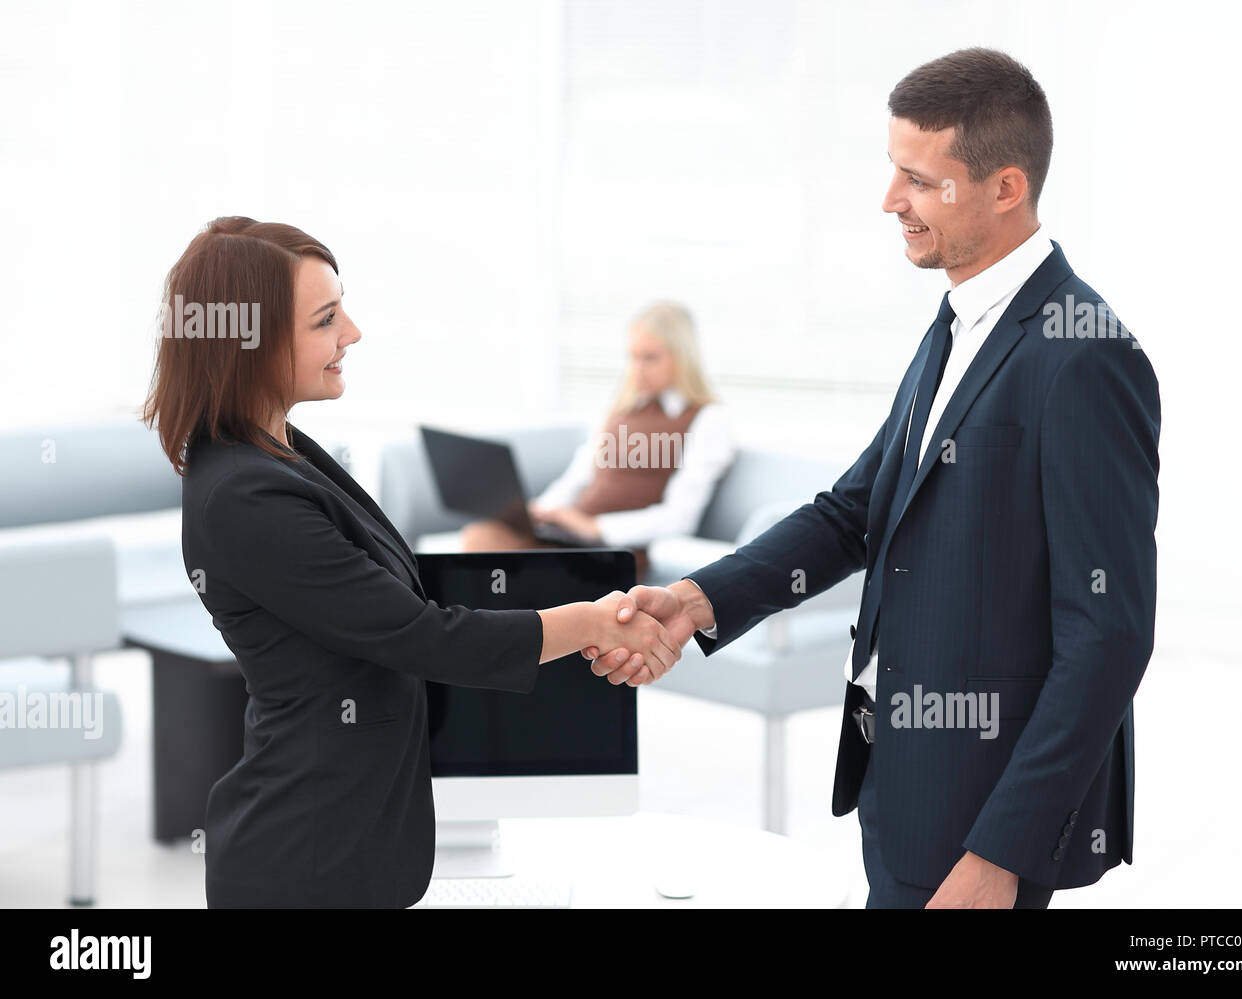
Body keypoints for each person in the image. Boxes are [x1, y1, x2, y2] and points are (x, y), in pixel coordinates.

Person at [585, 47, 1160, 909]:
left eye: (920, 181)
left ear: (1005, 188)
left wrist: (1001, 852)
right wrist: (698, 599)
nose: (891, 200)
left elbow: (1108, 636)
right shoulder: (961, 318)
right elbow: (857, 512)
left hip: (983, 820)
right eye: (895, 172)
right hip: (907, 785)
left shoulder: (1085, 356)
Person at [141, 217, 680, 908]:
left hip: (347, 842)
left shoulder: (282, 450)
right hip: (303, 859)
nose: (353, 333)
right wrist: (593, 621)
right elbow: (422, 635)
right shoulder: (244, 494)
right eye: (326, 319)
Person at [462, 301, 734, 580]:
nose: (637, 369)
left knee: (494, 555)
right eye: (632, 357)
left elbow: (680, 517)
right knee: (484, 534)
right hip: (568, 538)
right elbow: (579, 476)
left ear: (683, 357)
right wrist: (543, 511)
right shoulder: (622, 408)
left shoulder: (707, 418)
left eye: (650, 358)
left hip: (611, 551)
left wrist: (594, 527)